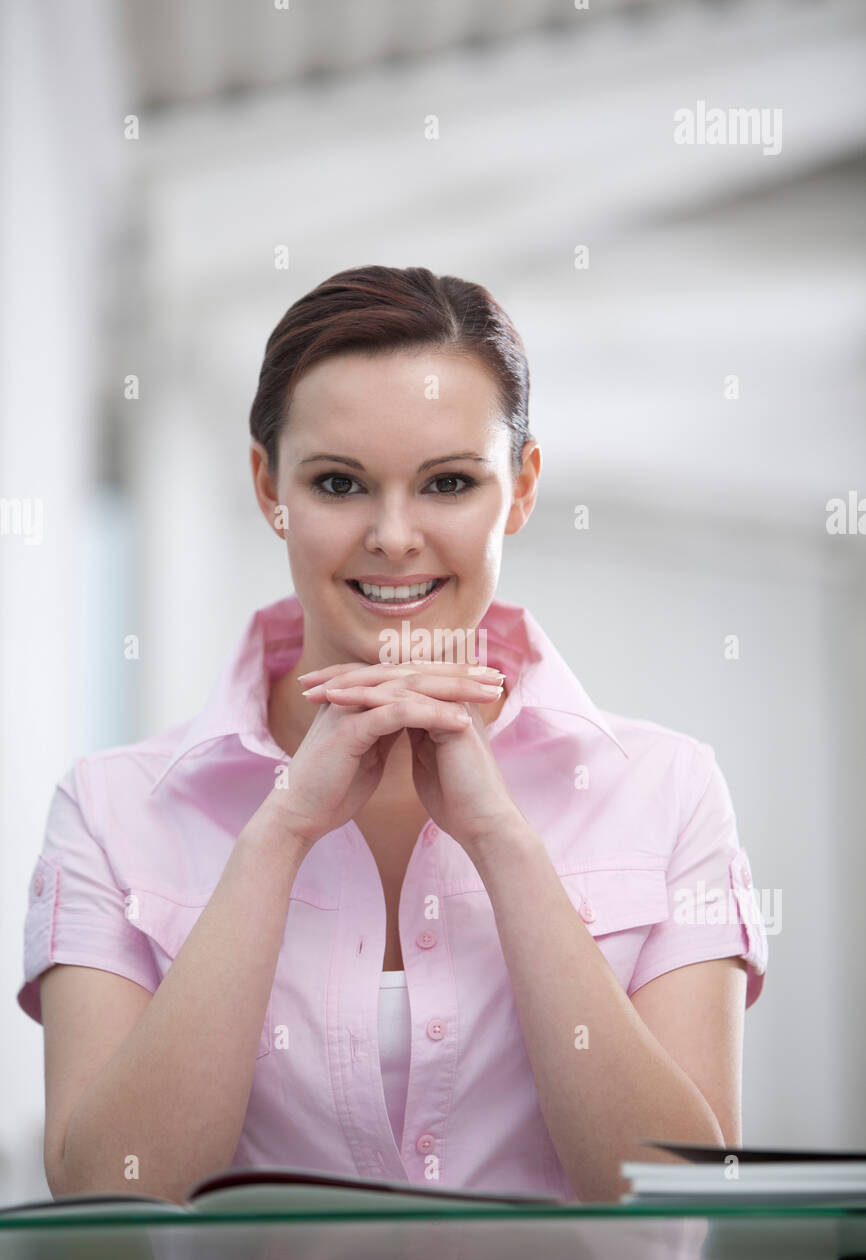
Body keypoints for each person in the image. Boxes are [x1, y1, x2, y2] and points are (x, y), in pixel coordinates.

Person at [19, 265, 767, 1210]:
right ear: (268, 488)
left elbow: (677, 1208)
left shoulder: (667, 788)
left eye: (449, 482)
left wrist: (502, 841)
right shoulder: (111, 808)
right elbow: (112, 1203)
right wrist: (280, 833)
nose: (395, 537)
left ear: (523, 489)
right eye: (339, 483)